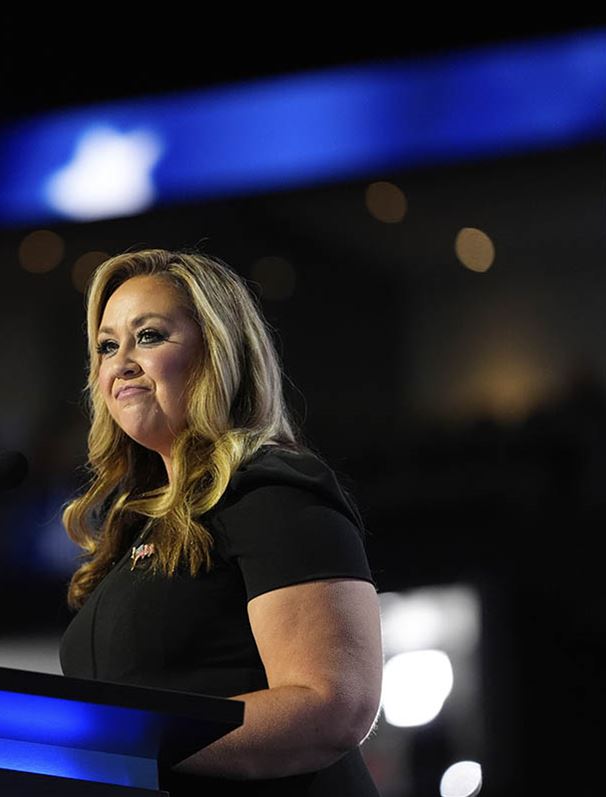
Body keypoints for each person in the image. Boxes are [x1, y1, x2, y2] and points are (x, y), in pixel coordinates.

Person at [59, 249, 383, 795]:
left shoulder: (271, 492)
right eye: (107, 346)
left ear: (218, 351)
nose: (120, 364)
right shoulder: (141, 524)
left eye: (149, 336)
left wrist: (136, 739)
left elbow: (334, 704)